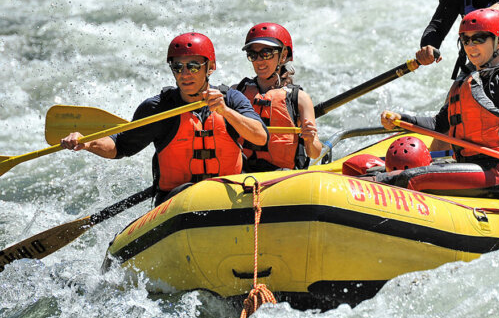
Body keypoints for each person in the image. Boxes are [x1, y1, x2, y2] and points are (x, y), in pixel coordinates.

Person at [61, 32, 269, 204]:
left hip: (228, 196)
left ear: (210, 67)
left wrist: (226, 112)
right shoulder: (158, 108)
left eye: (193, 66)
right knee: (187, 194)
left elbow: (260, 137)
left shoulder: (231, 99)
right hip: (175, 202)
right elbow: (120, 146)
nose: (185, 73)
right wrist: (88, 142)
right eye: (178, 67)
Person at [381, 8, 499, 195]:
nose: (471, 45)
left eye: (479, 38)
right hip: (469, 167)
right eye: (465, 40)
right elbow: (439, 124)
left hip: (498, 173)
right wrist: (402, 119)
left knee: (409, 178)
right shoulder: (465, 80)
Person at [232, 22, 323, 172]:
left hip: (282, 177)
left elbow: (314, 152)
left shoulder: (299, 99)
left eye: (266, 53)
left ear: (283, 56)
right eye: (253, 55)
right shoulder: (237, 91)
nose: (259, 60)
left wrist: (310, 139)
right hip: (243, 173)